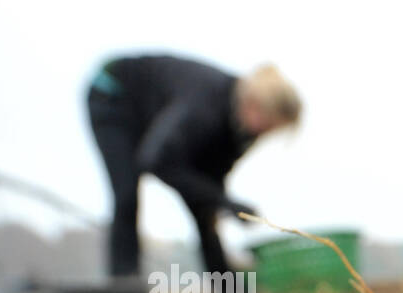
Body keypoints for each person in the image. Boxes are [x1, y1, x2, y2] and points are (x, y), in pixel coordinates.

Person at [86, 54, 301, 277]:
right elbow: (156, 161)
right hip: (113, 93)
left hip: (156, 121)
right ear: (254, 106)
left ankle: (227, 291)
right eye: (265, 125)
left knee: (205, 205)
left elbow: (208, 190)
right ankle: (123, 290)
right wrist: (226, 202)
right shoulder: (203, 108)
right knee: (127, 195)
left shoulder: (241, 131)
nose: (263, 134)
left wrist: (222, 202)